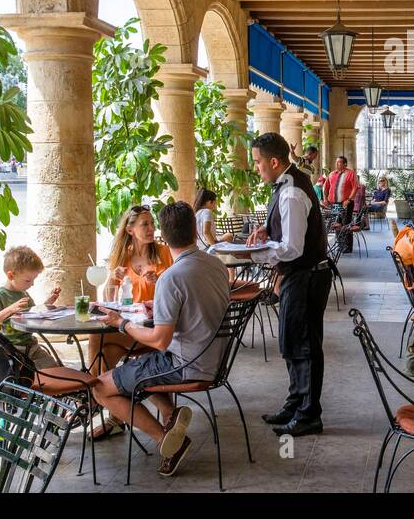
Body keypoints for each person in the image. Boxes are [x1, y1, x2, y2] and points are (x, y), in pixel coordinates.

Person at [90, 201, 231, 477]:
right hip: (215, 358)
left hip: (185, 364)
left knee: (99, 386)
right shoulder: (215, 264)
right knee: (128, 361)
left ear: (163, 237)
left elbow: (159, 341)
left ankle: (166, 441)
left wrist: (123, 323)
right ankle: (167, 415)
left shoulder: (172, 277)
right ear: (194, 229)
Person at [240, 132, 332, 437]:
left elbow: (292, 248)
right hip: (300, 275)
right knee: (292, 341)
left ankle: (309, 414)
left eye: (258, 162)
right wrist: (268, 228)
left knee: (304, 345)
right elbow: (290, 231)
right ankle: (295, 404)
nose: (256, 168)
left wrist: (254, 253)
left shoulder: (291, 191)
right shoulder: (288, 183)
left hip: (306, 275)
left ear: (275, 162)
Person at [87, 205, 174, 384]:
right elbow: (108, 300)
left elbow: (176, 291)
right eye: (145, 224)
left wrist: (158, 281)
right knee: (108, 352)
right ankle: (106, 400)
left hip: (155, 327)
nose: (152, 228)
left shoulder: (164, 253)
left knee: (97, 337)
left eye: (152, 223)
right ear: (130, 230)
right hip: (132, 325)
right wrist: (112, 278)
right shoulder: (122, 256)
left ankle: (92, 393)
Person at [0, 246, 61, 370]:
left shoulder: (23, 293)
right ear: (11, 275)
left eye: (34, 280)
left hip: (31, 346)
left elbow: (34, 313)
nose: (32, 284)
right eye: (28, 280)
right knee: (34, 375)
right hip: (12, 351)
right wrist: (10, 309)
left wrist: (49, 301)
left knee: (54, 368)